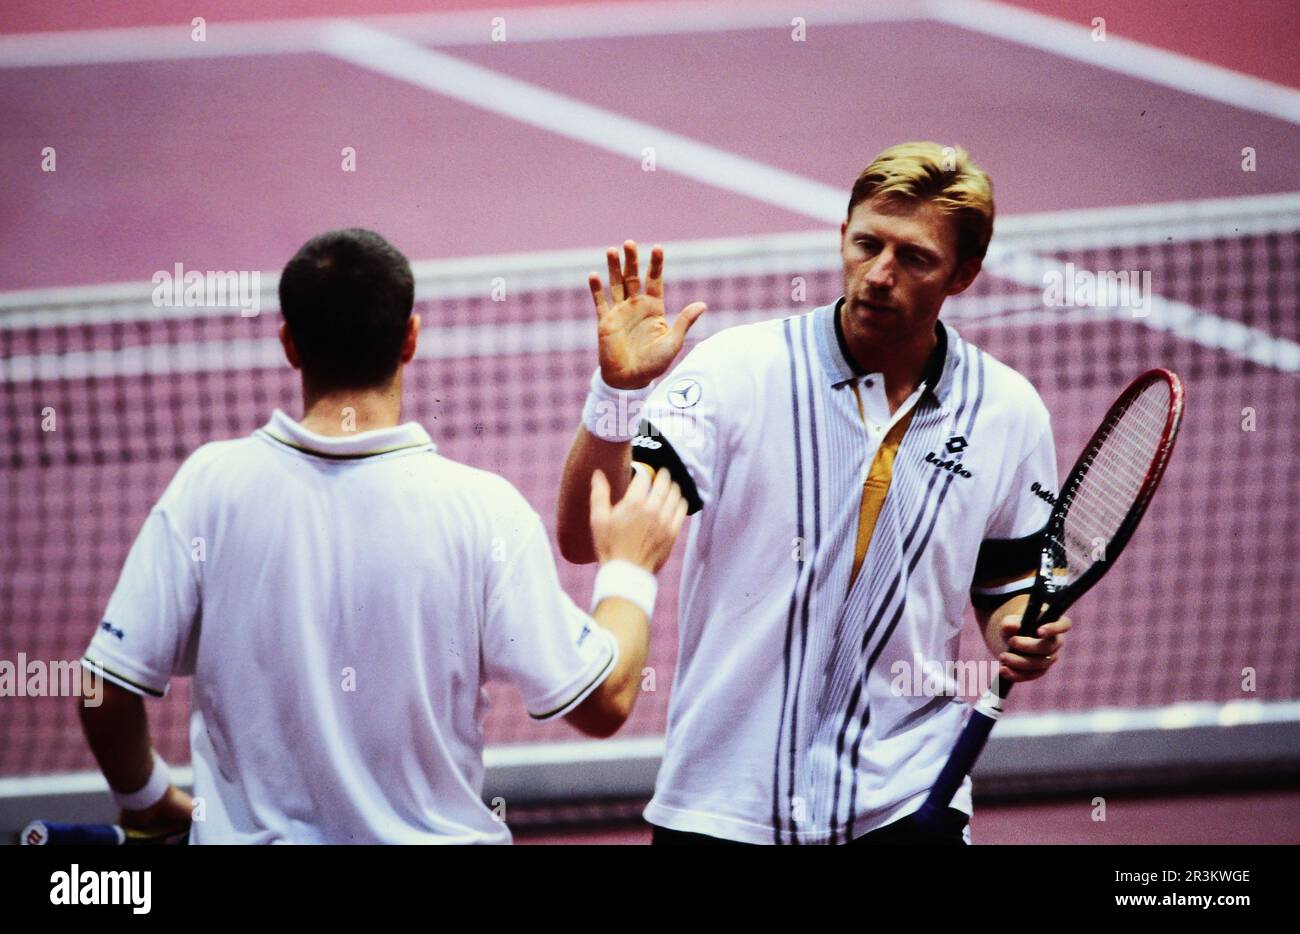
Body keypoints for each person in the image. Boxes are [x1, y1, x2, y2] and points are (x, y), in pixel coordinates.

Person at [77, 228, 687, 844]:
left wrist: (148, 800)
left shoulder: (208, 488)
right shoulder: (480, 511)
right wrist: (629, 571)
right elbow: (603, 700)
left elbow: (104, 688)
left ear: (290, 344)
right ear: (410, 339)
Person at [557, 142, 1073, 845]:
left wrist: (1017, 627)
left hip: (906, 802)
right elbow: (589, 537)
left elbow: (1008, 584)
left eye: (914, 258)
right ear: (843, 237)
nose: (880, 275)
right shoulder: (737, 372)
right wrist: (616, 395)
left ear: (965, 273)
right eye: (867, 244)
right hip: (722, 804)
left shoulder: (1008, 413)